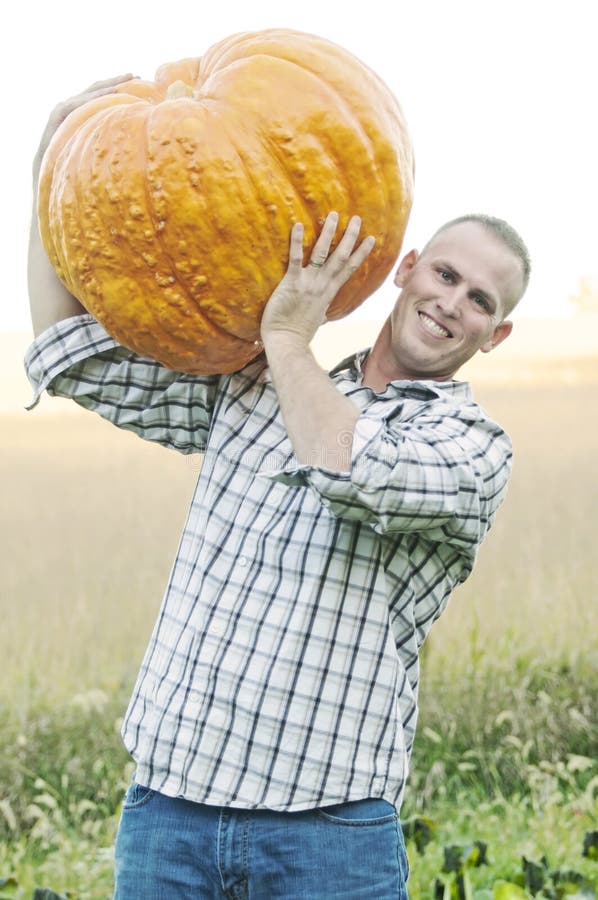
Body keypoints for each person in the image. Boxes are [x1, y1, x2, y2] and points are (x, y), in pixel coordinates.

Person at [26, 78, 530, 900]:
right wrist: (53, 169)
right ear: (405, 268)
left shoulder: (469, 448)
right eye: (444, 274)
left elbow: (343, 458)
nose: (451, 303)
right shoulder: (254, 382)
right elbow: (72, 354)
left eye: (480, 301)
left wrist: (290, 336)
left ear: (496, 333)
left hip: (326, 838)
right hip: (169, 816)